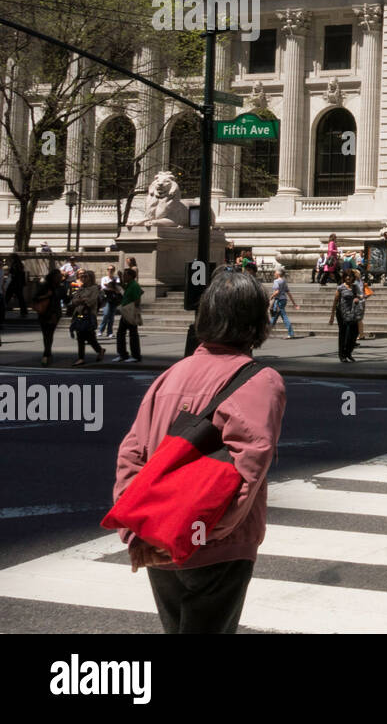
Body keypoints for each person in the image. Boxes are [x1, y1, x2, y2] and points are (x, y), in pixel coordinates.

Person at [111, 269, 286, 634]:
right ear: (257, 319)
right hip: (217, 546)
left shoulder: (172, 374)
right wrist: (199, 533)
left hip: (159, 536)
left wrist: (141, 532)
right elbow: (249, 466)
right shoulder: (261, 380)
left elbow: (133, 451)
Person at [69, 269, 106, 366]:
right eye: (82, 277)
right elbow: (74, 301)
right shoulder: (81, 288)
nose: (83, 278)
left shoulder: (94, 288)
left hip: (89, 315)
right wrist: (80, 300)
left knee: (89, 336)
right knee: (81, 335)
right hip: (79, 314)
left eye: (85, 276)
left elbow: (91, 301)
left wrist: (81, 301)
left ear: (90, 278)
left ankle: (99, 350)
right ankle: (82, 357)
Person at [330, 268, 364, 362]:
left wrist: (358, 298)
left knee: (355, 332)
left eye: (350, 276)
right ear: (344, 277)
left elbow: (358, 296)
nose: (348, 278)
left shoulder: (354, 287)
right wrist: (332, 316)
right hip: (341, 313)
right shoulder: (340, 288)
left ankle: (348, 352)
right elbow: (335, 301)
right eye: (346, 276)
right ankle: (342, 355)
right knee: (343, 334)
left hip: (352, 313)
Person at [33, 261, 62, 367]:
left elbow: (64, 299)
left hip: (55, 314)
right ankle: (47, 353)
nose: (59, 279)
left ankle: (46, 355)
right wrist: (46, 296)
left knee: (49, 334)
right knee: (46, 334)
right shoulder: (45, 286)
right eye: (58, 277)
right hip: (44, 313)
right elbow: (35, 298)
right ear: (53, 277)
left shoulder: (59, 287)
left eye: (60, 277)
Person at [113, 267, 143, 363]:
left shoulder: (134, 285)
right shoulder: (130, 284)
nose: (124, 276)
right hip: (126, 311)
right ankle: (123, 354)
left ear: (130, 276)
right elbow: (122, 286)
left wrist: (133, 311)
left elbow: (137, 300)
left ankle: (135, 355)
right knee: (121, 333)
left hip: (130, 312)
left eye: (126, 275)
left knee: (132, 334)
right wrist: (120, 277)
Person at [267, 268, 299, 340]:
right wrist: (294, 303)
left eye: (275, 273)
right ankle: (266, 332)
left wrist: (271, 297)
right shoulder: (284, 281)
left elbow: (277, 291)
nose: (274, 274)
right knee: (274, 317)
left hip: (278, 300)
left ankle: (291, 334)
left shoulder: (276, 281)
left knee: (282, 317)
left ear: (278, 274)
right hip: (284, 300)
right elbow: (288, 292)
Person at [99, 264, 122, 337]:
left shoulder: (116, 278)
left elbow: (118, 289)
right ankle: (100, 330)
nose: (110, 271)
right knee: (106, 314)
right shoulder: (104, 278)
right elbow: (103, 287)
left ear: (114, 270)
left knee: (111, 316)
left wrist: (109, 286)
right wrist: (112, 287)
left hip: (114, 299)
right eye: (108, 269)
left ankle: (110, 332)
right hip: (106, 298)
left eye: (112, 269)